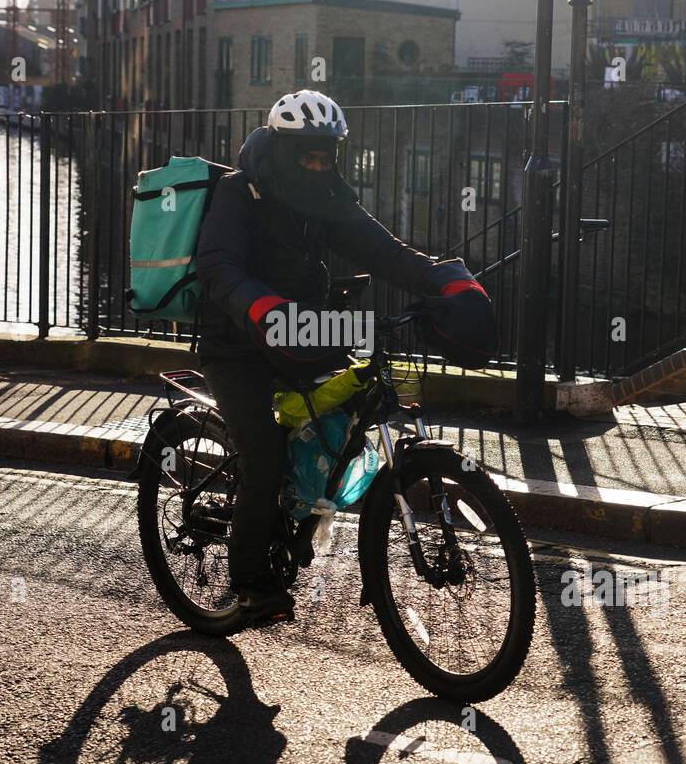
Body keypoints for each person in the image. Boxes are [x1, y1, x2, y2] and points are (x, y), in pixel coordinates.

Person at [195, 89, 497, 624]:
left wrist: (444, 281)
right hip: (237, 344)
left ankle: (292, 509)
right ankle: (248, 583)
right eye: (307, 154)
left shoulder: (325, 197)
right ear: (281, 149)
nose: (317, 164)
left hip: (302, 331)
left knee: (344, 416)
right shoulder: (239, 192)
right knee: (262, 453)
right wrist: (261, 305)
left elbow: (384, 252)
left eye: (326, 154)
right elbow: (218, 267)